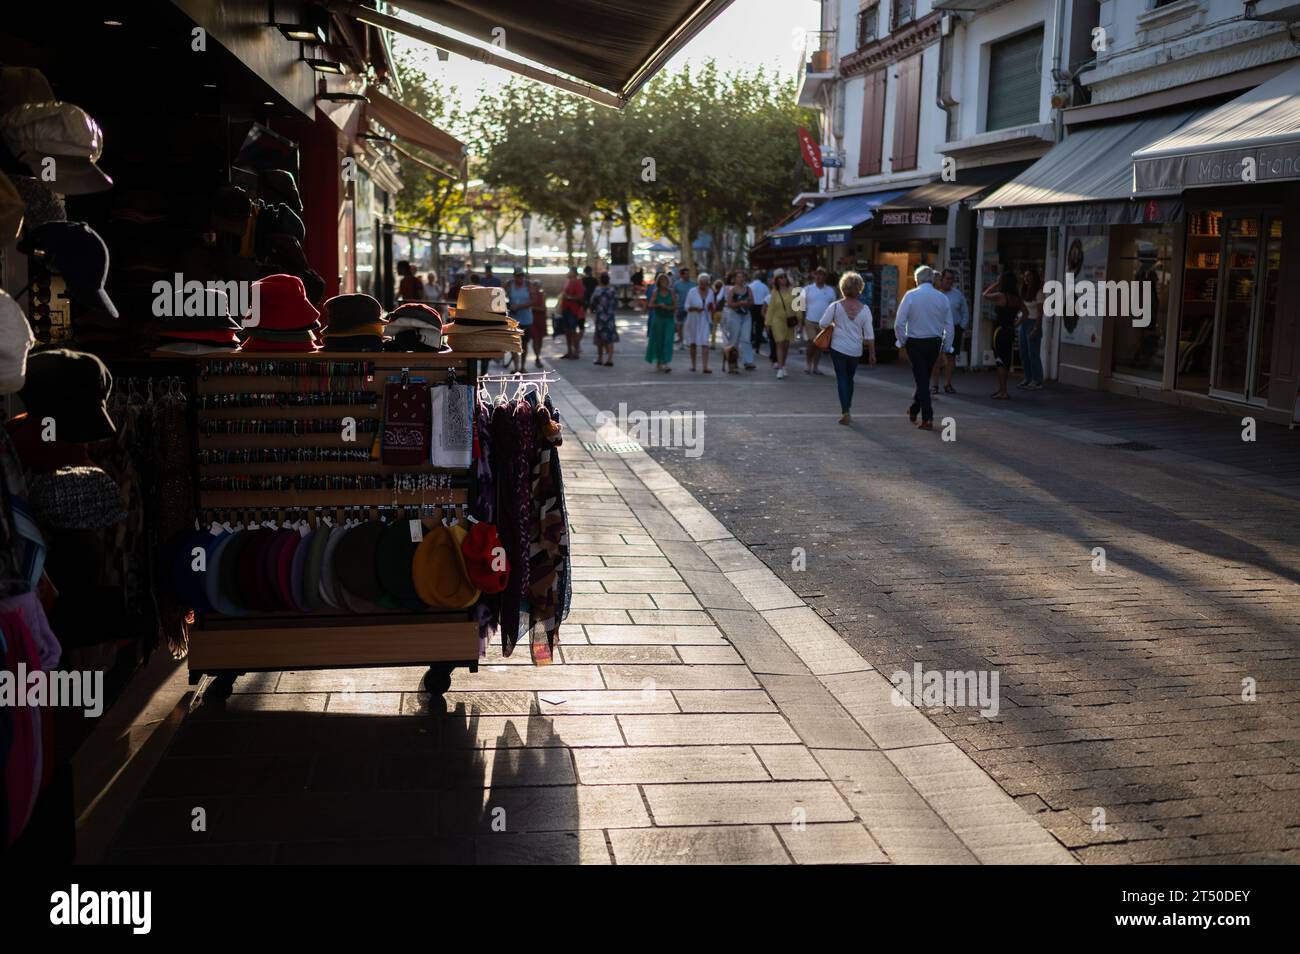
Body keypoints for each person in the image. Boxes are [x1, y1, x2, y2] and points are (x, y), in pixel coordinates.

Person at [895, 265, 955, 430]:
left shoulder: (911, 295)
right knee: (923, 378)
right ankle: (915, 408)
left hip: (915, 342)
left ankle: (927, 417)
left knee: (921, 379)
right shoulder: (942, 298)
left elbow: (899, 323)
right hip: (934, 342)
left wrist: (902, 341)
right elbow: (949, 325)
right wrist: (947, 346)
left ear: (917, 280)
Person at [818, 271, 877, 424]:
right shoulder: (865, 310)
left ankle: (845, 410)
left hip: (838, 347)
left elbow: (822, 323)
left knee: (842, 378)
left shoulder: (835, 306)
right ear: (860, 288)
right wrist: (872, 354)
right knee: (850, 378)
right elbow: (869, 335)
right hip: (855, 350)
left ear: (843, 287)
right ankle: (848, 407)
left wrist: (833, 324)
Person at [982, 268, 1025, 400]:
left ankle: (1003, 391)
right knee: (1006, 360)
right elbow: (1026, 313)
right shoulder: (1017, 299)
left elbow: (985, 295)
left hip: (999, 331)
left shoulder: (1001, 296)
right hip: (1010, 330)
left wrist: (996, 283)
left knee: (1000, 360)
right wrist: (1015, 324)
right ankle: (1002, 389)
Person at [931, 268, 969, 395]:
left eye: (952, 279)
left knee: (951, 358)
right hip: (937, 329)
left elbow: (965, 312)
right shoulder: (934, 294)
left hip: (954, 328)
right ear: (941, 279)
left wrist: (961, 327)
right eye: (947, 279)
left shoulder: (958, 294)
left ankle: (947, 384)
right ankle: (935, 385)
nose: (949, 282)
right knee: (936, 358)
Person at [801, 267, 837, 376]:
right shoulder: (807, 289)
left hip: (824, 323)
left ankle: (815, 366)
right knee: (812, 342)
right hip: (810, 320)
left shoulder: (830, 290)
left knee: (820, 346)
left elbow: (834, 306)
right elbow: (801, 306)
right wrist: (802, 319)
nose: (819, 276)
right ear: (814, 276)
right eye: (817, 274)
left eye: (821, 274)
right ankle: (808, 364)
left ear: (825, 277)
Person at [764, 269, 798, 379]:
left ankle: (783, 365)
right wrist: (767, 323)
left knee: (786, 345)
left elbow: (797, 306)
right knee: (779, 343)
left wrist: (800, 319)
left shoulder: (793, 290)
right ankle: (779, 367)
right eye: (780, 278)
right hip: (777, 320)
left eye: (784, 277)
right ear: (776, 280)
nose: (782, 279)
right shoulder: (774, 292)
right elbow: (771, 309)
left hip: (789, 320)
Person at [722, 269, 755, 374]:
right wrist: (740, 303)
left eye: (742, 277)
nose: (741, 279)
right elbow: (729, 303)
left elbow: (752, 301)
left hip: (746, 315)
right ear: (735, 279)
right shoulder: (732, 290)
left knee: (746, 338)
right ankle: (732, 362)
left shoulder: (748, 289)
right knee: (734, 339)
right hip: (735, 315)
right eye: (738, 277)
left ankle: (748, 361)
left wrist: (747, 303)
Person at [1018, 268, 1045, 390]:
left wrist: (1036, 328)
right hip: (1023, 322)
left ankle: (1037, 380)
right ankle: (1027, 377)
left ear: (1034, 277)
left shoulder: (1039, 292)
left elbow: (1040, 312)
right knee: (1023, 352)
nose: (1026, 278)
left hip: (1033, 322)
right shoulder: (1024, 291)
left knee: (1033, 352)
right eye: (1025, 276)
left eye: (1029, 275)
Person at [683, 271, 714, 373]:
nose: (703, 285)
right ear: (698, 282)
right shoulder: (692, 291)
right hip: (693, 319)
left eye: (705, 282)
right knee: (693, 343)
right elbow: (686, 306)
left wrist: (711, 308)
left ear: (708, 283)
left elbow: (713, 305)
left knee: (705, 342)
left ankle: (705, 366)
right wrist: (695, 308)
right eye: (701, 282)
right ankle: (693, 365)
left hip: (705, 320)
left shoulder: (711, 292)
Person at [645, 273, 676, 372]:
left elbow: (675, 306)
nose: (664, 283)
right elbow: (650, 305)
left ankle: (665, 363)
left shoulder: (671, 292)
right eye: (662, 281)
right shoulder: (656, 292)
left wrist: (667, 307)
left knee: (668, 341)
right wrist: (658, 305)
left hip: (669, 319)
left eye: (665, 281)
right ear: (659, 282)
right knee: (659, 341)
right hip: (658, 319)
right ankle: (659, 361)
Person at [505, 268, 533, 372]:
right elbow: (503, 297)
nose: (520, 278)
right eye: (518, 276)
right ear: (514, 276)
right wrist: (510, 305)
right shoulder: (510, 285)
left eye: (521, 276)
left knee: (525, 343)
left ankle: (523, 366)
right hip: (513, 319)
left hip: (526, 318)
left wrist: (520, 306)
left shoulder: (528, 285)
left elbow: (533, 300)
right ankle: (516, 366)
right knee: (513, 343)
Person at [559, 267, 586, 360]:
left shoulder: (578, 282)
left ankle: (575, 351)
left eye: (570, 271)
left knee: (573, 330)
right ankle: (569, 350)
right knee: (567, 331)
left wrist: (569, 297)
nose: (568, 272)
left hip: (572, 310)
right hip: (566, 309)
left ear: (574, 273)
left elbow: (580, 297)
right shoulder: (567, 281)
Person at [748, 270, 770, 363]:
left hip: (752, 307)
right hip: (761, 306)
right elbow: (767, 298)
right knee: (759, 327)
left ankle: (749, 343)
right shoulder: (764, 286)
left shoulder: (749, 286)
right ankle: (757, 346)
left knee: (749, 325)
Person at [672, 266, 694, 348]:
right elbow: (673, 295)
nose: (687, 276)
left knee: (690, 325)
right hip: (680, 307)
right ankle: (681, 341)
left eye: (688, 274)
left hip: (691, 308)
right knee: (679, 325)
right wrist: (675, 306)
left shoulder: (693, 284)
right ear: (681, 275)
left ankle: (689, 341)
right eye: (685, 274)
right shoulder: (677, 284)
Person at [528, 279, 547, 368]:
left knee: (540, 339)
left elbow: (543, 308)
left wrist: (531, 307)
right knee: (535, 338)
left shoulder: (542, 295)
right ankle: (537, 357)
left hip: (540, 318)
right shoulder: (530, 295)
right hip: (533, 319)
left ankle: (538, 355)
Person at [581, 266, 597, 335]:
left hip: (585, 299)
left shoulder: (582, 280)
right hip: (592, 298)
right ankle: (597, 327)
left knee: (583, 313)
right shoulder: (594, 280)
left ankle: (582, 328)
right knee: (593, 313)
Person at [710, 278, 725, 349]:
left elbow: (712, 303)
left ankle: (713, 344)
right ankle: (724, 344)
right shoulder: (724, 294)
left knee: (714, 329)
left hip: (715, 312)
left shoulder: (713, 294)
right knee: (723, 329)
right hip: (723, 312)